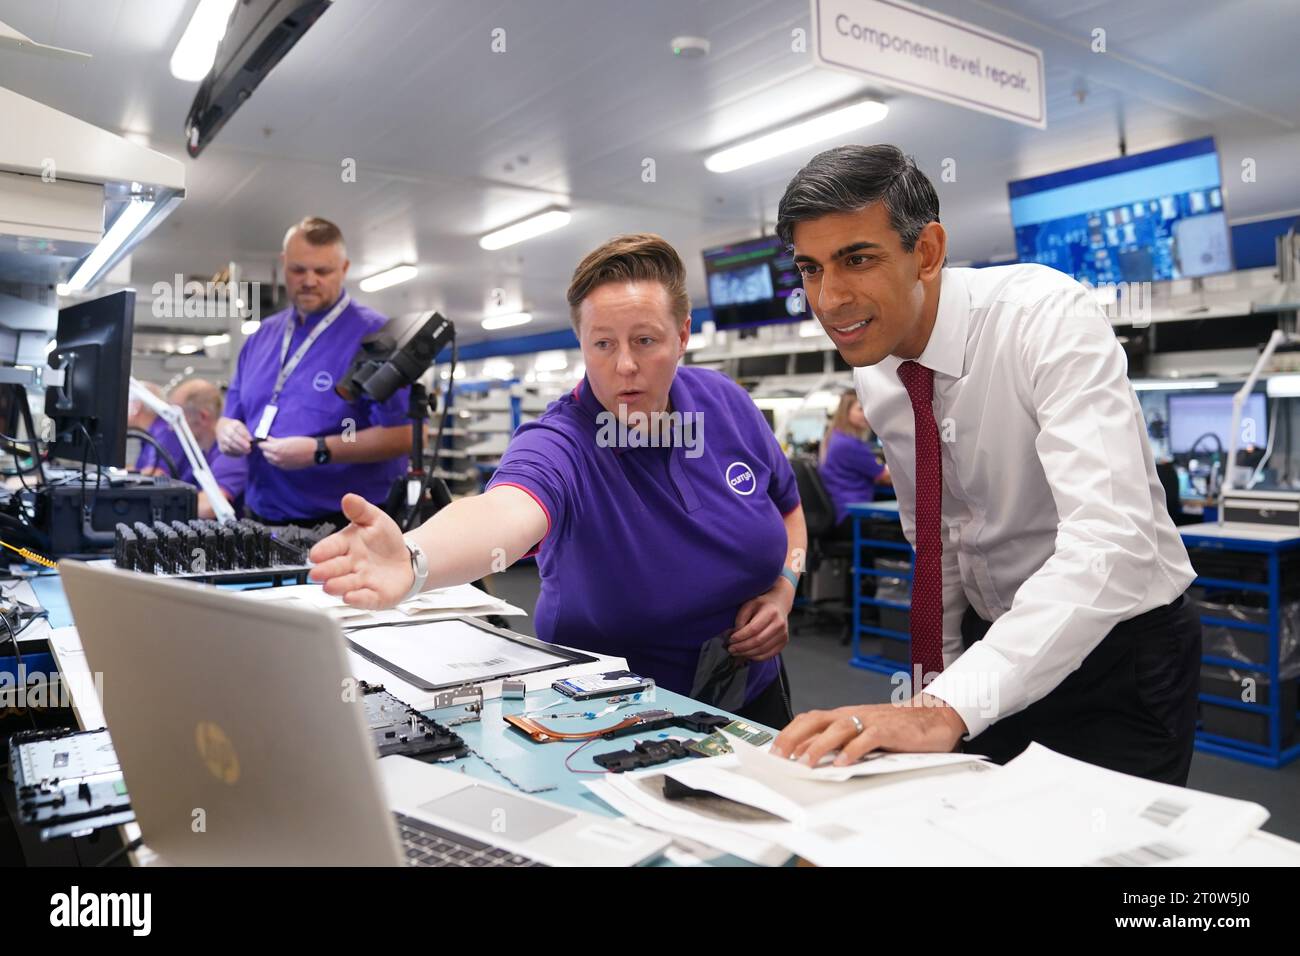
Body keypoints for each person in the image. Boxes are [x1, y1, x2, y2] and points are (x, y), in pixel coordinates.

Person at [770, 145, 1200, 784]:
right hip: (989, 645)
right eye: (810, 269)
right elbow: (937, 541)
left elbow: (1113, 543)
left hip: (1118, 650)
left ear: (928, 251)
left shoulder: (1047, 318)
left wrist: (946, 706)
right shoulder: (879, 371)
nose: (829, 298)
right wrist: (935, 691)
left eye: (856, 259)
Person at [308, 234, 807, 727]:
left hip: (753, 698)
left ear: (683, 336)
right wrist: (414, 559)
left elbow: (789, 509)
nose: (625, 365)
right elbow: (506, 509)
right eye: (603, 344)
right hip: (619, 720)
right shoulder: (564, 441)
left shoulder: (726, 402)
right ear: (582, 343)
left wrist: (783, 588)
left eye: (646, 340)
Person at [215, 217, 412, 527]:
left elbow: (406, 435)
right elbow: (232, 414)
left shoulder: (377, 336)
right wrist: (225, 431)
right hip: (261, 517)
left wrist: (321, 451)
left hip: (343, 524)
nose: (309, 280)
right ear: (284, 264)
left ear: (344, 269)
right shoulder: (261, 337)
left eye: (322, 271)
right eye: (298, 270)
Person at [168, 378, 248, 519]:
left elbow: (209, 507)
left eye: (177, 417)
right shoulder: (200, 454)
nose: (170, 427)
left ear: (203, 417)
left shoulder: (229, 454)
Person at [820, 389, 890, 530]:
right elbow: (885, 477)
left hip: (842, 511)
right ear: (846, 412)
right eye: (860, 409)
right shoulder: (849, 445)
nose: (866, 414)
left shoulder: (834, 438)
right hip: (853, 515)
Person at [129, 381, 183, 476]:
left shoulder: (165, 432)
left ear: (136, 407)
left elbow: (158, 474)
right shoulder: (151, 434)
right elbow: (142, 469)